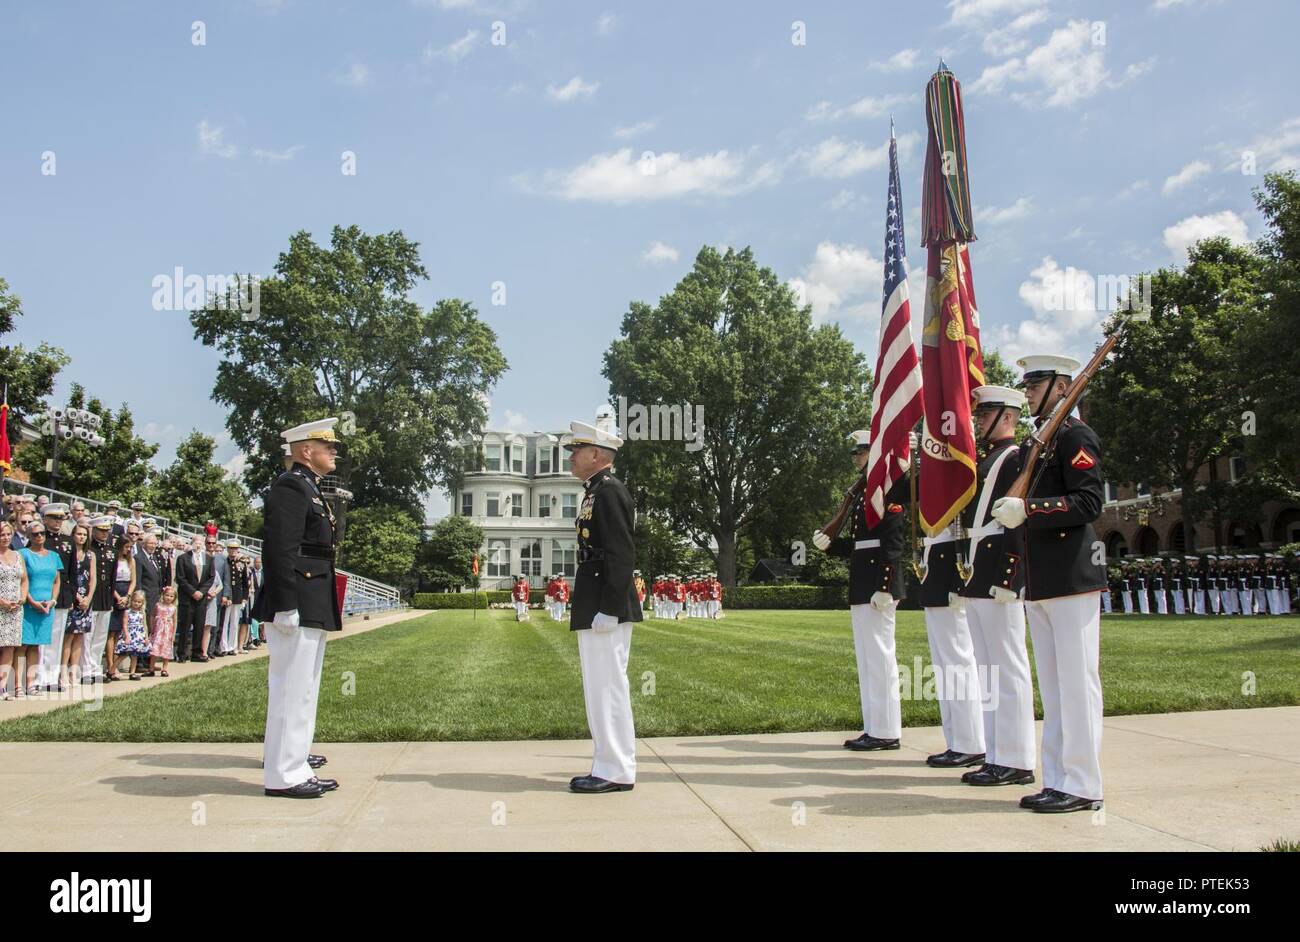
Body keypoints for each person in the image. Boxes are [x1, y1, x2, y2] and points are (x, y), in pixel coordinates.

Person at [991, 353, 1106, 814]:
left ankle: (1083, 784)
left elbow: (1090, 501)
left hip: (1072, 577)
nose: (1029, 390)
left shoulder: (1075, 435)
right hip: (1042, 579)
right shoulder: (1042, 441)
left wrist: (1032, 511)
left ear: (1062, 386)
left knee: (1077, 684)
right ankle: (1059, 779)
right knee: (1056, 688)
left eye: (1036, 384)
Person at [252, 417, 345, 799]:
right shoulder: (292, 487)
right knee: (292, 687)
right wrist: (285, 604)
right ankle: (284, 774)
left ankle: (296, 762)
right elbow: (280, 550)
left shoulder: (309, 487)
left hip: (312, 598)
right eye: (328, 447)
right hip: (297, 600)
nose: (334, 452)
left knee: (303, 687)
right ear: (306, 450)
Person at [958, 385, 1036, 788]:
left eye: (987, 414)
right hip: (977, 571)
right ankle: (996, 754)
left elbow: (1015, 524)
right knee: (988, 669)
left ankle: (1018, 757)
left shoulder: (1016, 458)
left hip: (997, 575)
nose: (978, 420)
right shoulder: (988, 460)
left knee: (1008, 665)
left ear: (1008, 417)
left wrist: (1010, 576)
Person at [563, 408, 642, 794]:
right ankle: (606, 763)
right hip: (595, 596)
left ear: (598, 453)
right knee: (598, 686)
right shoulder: (597, 490)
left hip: (605, 602)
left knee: (608, 685)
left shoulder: (610, 491)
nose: (571, 456)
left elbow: (621, 554)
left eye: (577, 449)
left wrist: (610, 607)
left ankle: (616, 769)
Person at [812, 429, 906, 753]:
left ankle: (887, 729)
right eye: (856, 453)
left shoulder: (886, 488)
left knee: (880, 657)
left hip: (877, 585)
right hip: (862, 582)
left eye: (861, 452)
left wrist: (884, 585)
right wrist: (830, 546)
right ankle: (874, 726)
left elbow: (893, 543)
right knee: (868, 660)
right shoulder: (864, 491)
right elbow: (858, 547)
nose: (856, 458)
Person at [19, 520, 63, 697]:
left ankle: (31, 683)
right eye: (35, 533)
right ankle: (18, 684)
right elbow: (21, 580)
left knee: (36, 646)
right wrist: (30, 601)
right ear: (29, 535)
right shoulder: (22, 554)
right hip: (28, 606)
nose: (39, 536)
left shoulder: (54, 556)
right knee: (22, 646)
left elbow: (57, 580)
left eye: (42, 533)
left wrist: (52, 601)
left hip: (47, 607)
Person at [59, 523, 96, 689]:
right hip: (72, 597)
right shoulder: (68, 553)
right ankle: (63, 672)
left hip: (86, 601)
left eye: (84, 534)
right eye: (78, 533)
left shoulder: (90, 555)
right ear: (73, 535)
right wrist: (77, 596)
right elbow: (66, 576)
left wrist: (88, 598)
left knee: (80, 637)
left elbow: (93, 579)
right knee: (68, 637)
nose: (81, 537)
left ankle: (74, 671)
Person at [0, 521, 28, 700]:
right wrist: (2, 601)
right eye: (2, 534)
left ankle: (2, 687)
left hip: (15, 610)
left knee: (10, 647)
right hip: (1, 607)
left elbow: (24, 579)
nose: (5, 537)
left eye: (8, 534)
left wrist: (23, 597)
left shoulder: (17, 555)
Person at [104, 536, 137, 682]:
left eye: (130, 547)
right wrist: (117, 597)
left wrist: (128, 596)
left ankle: (115, 663)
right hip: (114, 593)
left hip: (126, 594)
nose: (128, 549)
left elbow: (133, 580)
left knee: (119, 633)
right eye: (126, 547)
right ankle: (110, 665)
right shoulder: (113, 560)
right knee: (111, 632)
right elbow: (110, 581)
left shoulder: (131, 561)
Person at [115, 590, 151, 680]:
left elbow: (144, 625)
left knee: (135, 655)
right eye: (135, 601)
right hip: (130, 635)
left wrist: (146, 637)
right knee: (124, 654)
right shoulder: (128, 611)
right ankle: (111, 671)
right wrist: (127, 636)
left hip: (139, 636)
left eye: (139, 602)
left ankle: (132, 672)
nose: (137, 603)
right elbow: (124, 624)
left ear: (142, 603)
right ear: (131, 600)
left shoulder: (142, 612)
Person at [148, 585, 178, 676]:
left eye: (171, 596)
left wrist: (173, 634)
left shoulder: (173, 608)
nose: (169, 598)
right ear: (163, 595)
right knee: (155, 650)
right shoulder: (158, 605)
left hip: (168, 631)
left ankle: (164, 669)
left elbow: (175, 620)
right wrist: (152, 627)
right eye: (167, 595)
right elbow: (152, 615)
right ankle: (151, 669)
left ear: (174, 598)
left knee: (166, 650)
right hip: (158, 631)